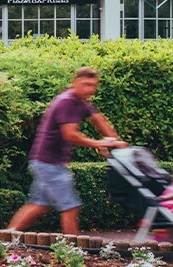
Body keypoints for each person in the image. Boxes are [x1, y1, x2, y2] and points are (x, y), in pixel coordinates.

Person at [7, 66, 126, 235]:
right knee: (70, 206)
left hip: (46, 161)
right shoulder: (67, 101)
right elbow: (70, 135)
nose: (90, 89)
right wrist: (98, 143)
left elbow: (98, 120)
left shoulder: (81, 102)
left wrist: (117, 142)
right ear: (74, 82)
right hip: (48, 162)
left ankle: (6, 237)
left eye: (93, 85)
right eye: (86, 84)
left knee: (39, 205)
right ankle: (73, 252)